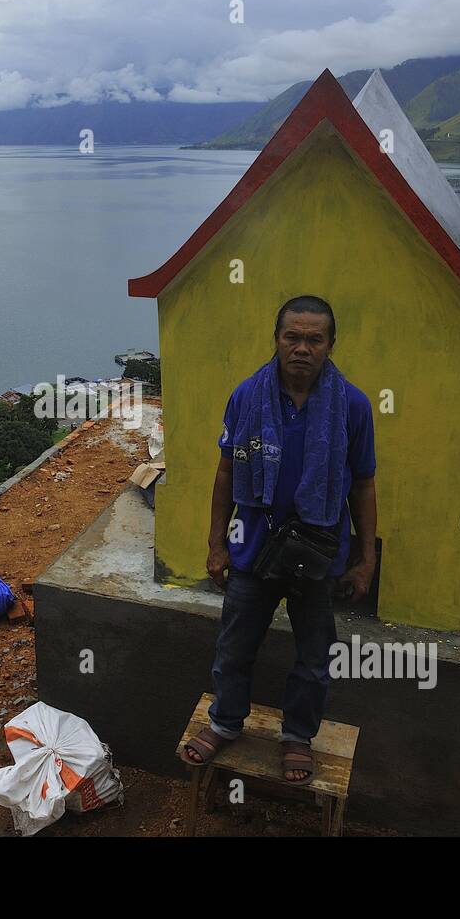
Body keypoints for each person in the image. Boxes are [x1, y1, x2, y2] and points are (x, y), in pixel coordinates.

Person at [179, 295, 377, 784]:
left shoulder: (352, 406)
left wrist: (365, 558)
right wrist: (216, 544)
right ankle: (225, 722)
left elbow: (364, 484)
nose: (302, 348)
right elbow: (226, 472)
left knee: (314, 655)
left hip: (318, 553)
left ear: (331, 344)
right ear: (277, 339)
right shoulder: (247, 396)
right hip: (253, 548)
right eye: (292, 337)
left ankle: (297, 737)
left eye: (314, 339)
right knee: (234, 645)